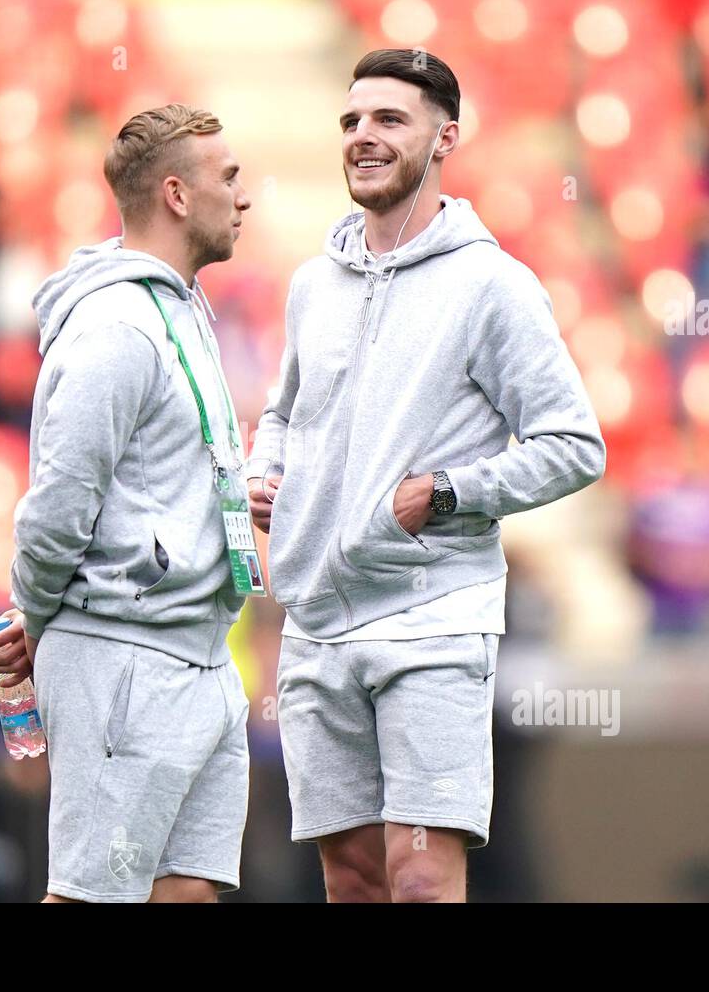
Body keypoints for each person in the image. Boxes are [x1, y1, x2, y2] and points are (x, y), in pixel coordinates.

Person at [246, 50, 606, 903]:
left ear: (446, 137)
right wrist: (268, 470)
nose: (363, 136)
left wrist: (449, 491)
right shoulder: (311, 284)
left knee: (420, 877)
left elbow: (574, 443)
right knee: (354, 878)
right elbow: (280, 412)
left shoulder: (494, 284)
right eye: (351, 121)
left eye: (389, 120)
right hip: (316, 626)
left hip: (434, 622)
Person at [0, 104, 254, 903]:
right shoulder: (116, 326)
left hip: (199, 653)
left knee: (187, 893)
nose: (244, 197)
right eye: (228, 178)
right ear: (175, 194)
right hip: (125, 654)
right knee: (91, 896)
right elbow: (59, 501)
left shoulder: (181, 307)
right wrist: (35, 611)